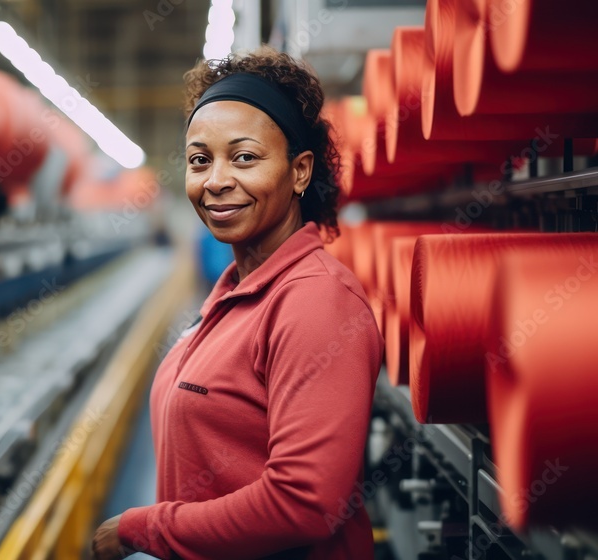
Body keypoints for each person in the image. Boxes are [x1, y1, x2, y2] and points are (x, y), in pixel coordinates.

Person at [90, 46, 382, 560]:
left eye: (244, 157)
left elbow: (305, 503)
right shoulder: (232, 292)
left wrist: (144, 528)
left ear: (299, 171)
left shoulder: (316, 302)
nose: (216, 180)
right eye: (200, 160)